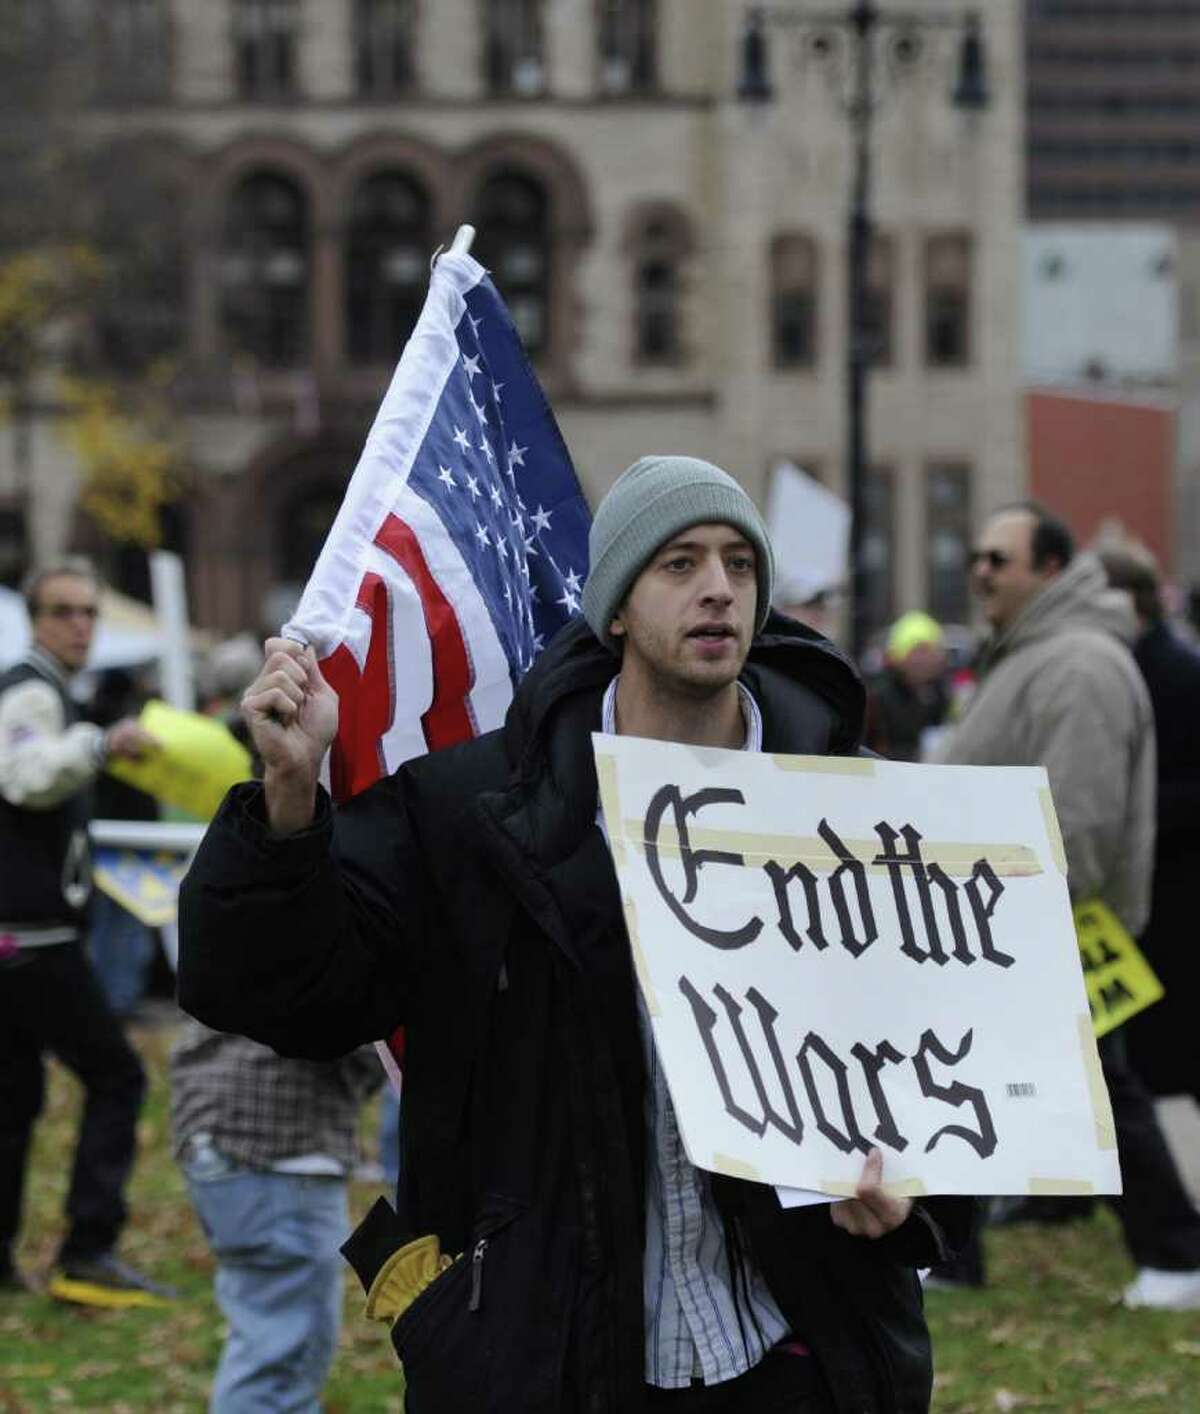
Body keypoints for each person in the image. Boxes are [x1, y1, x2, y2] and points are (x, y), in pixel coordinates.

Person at [179, 456, 973, 1414]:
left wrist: (912, 1201)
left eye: (739, 565)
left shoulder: (857, 810)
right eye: (678, 564)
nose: (718, 587)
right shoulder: (471, 814)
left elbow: (943, 1058)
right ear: (616, 610)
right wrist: (290, 802)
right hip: (552, 1351)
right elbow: (281, 989)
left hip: (797, 1343)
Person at [929, 504, 1200, 1311]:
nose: (979, 571)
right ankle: (950, 1254)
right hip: (997, 918)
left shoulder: (1078, 665)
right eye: (976, 555)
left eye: (998, 559)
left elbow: (1079, 819)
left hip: (1036, 923)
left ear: (1049, 570)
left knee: (1100, 1092)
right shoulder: (1037, 653)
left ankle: (1179, 1255)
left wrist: (1021, 910)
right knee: (971, 1079)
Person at [0, 558, 173, 1305]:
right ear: (37, 619)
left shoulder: (48, 690)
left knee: (12, 1102)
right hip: (31, 939)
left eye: (88, 613)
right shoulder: (32, 689)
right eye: (64, 611)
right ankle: (86, 1251)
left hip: (21, 936)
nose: (80, 625)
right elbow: (25, 776)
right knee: (118, 1075)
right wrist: (100, 745)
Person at [170, 1023, 381, 1411]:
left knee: (267, 1336)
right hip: (278, 1151)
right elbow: (360, 1025)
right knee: (279, 1362)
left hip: (218, 1132)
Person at [1099, 545, 1200, 1108]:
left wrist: (1135, 808)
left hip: (1178, 897)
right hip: (1145, 897)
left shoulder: (1182, 674)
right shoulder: (1130, 665)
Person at [863, 612, 950, 763]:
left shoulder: (942, 694)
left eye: (930, 650)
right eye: (918, 651)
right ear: (899, 656)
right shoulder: (877, 698)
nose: (924, 660)